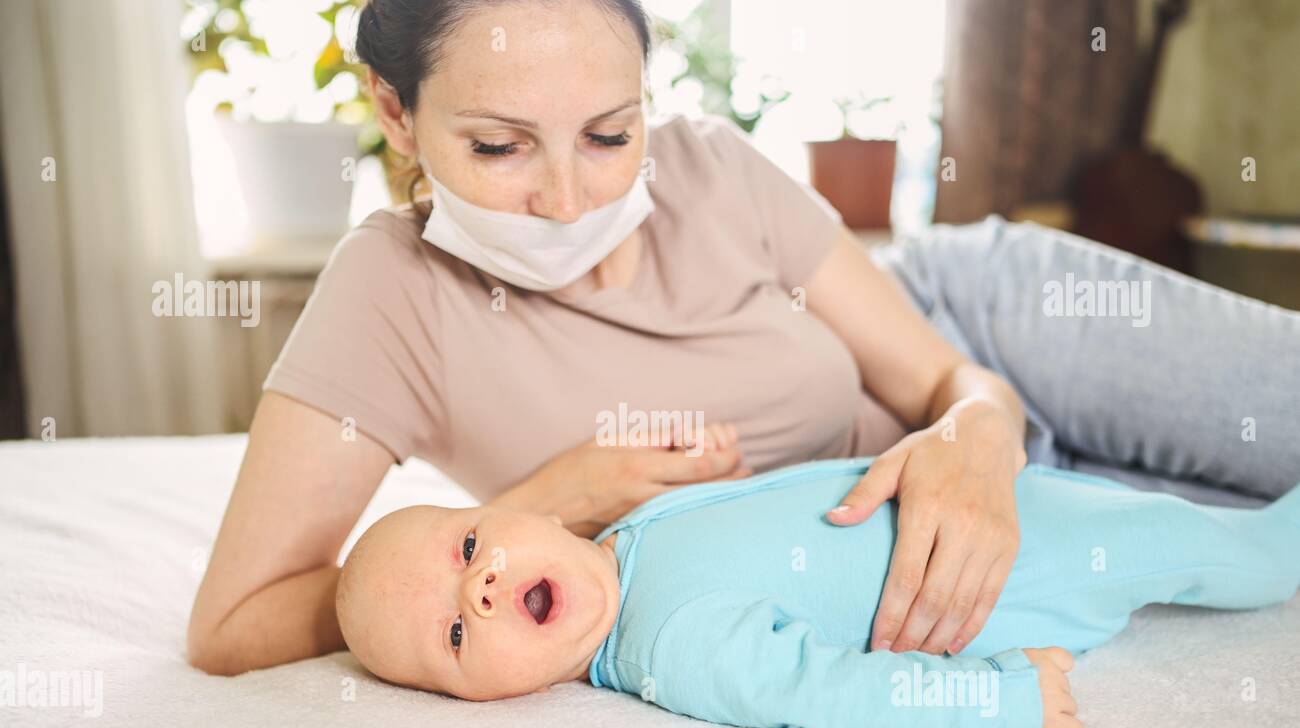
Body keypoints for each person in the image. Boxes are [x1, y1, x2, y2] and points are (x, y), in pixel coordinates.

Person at [187, 0, 1300, 678]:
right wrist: (537, 503)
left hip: (1003, 335)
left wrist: (975, 433)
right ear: (395, 112)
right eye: (499, 147)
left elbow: (941, 374)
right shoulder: (390, 293)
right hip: (957, 524)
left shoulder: (709, 164)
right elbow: (232, 624)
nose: (570, 199)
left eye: (608, 135)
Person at [332, 453, 1300, 728]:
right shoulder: (671, 645)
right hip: (1011, 575)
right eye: (458, 629)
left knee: (1176, 510)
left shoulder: (629, 541)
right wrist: (996, 698)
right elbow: (828, 694)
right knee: (1215, 550)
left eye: (468, 544)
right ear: (478, 701)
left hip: (962, 493)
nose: (484, 582)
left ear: (514, 511)